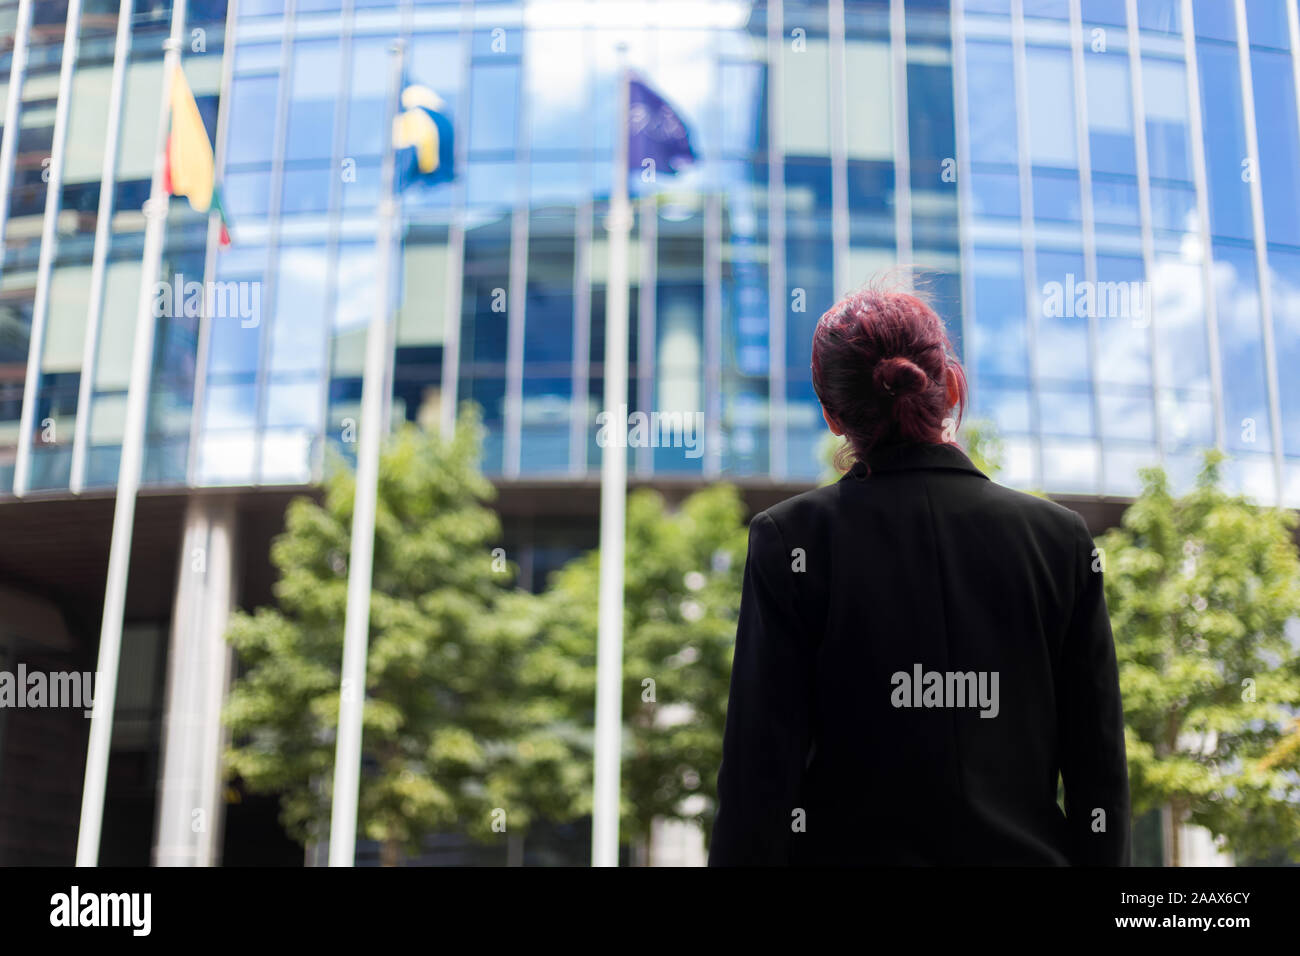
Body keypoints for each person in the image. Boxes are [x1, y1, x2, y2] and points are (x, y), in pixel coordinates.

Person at [708, 285, 1130, 866]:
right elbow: (1098, 774)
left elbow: (759, 779)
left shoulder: (791, 540)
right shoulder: (1059, 539)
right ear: (951, 386)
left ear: (832, 415)